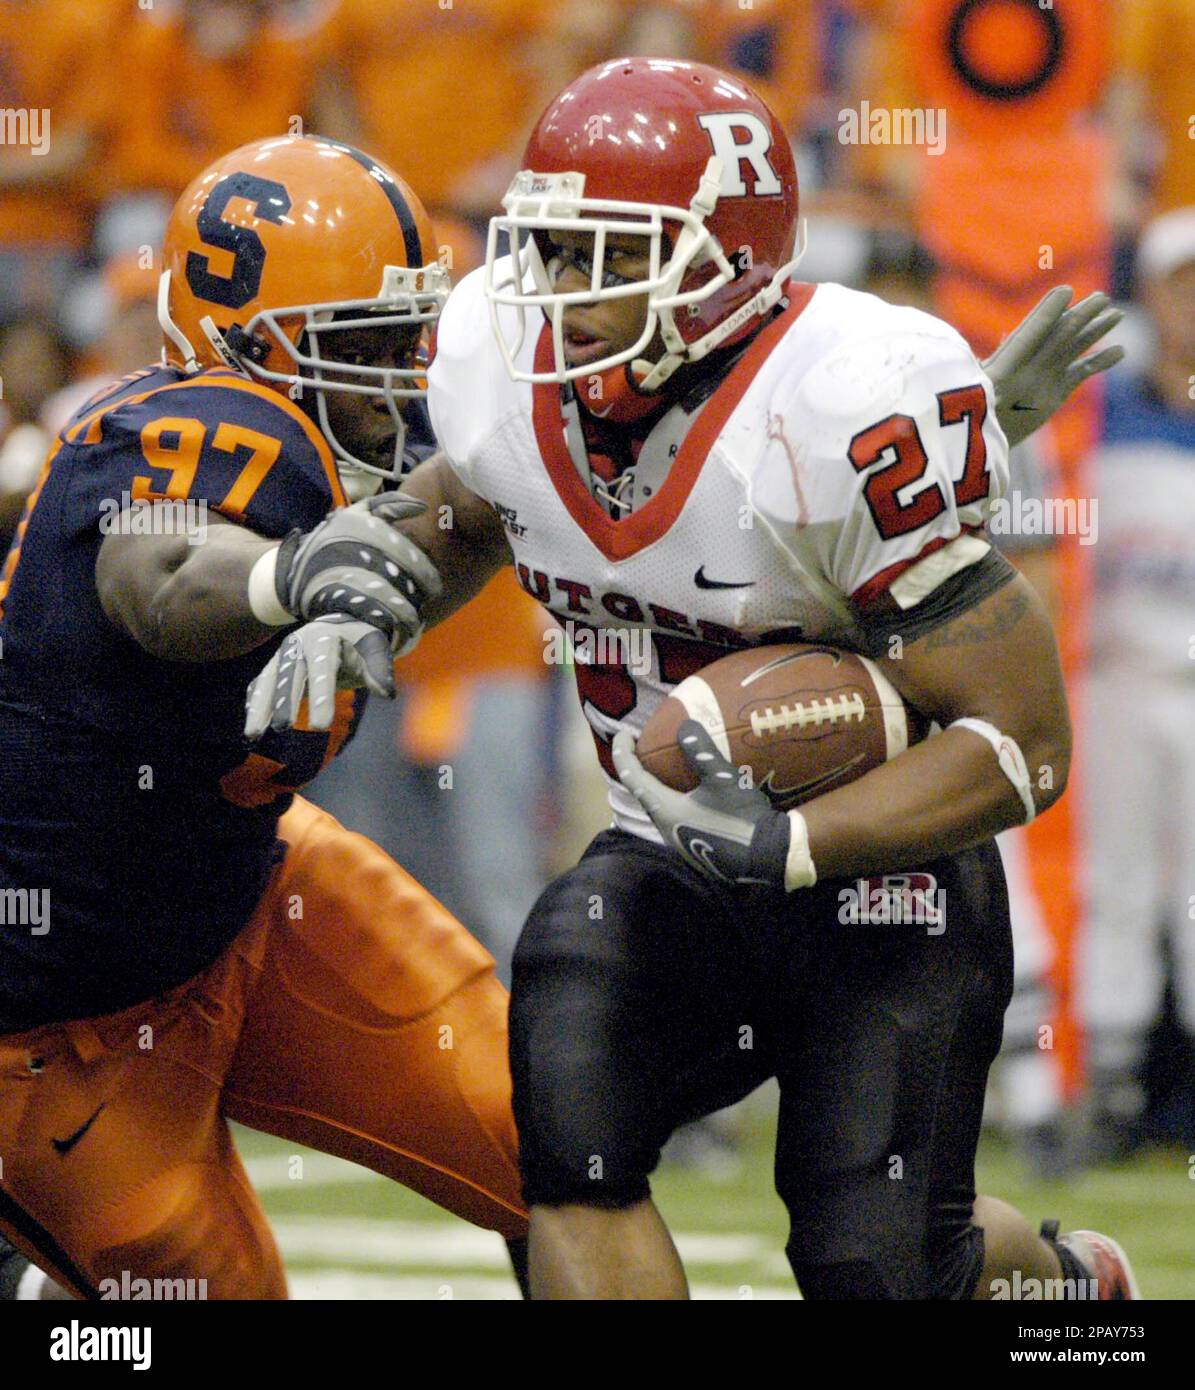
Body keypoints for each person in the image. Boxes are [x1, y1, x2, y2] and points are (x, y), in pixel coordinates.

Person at [249, 60, 1134, 1300]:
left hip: (885, 877)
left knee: (876, 1268)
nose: (559, 289)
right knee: (560, 1110)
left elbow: (1022, 742)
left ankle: (1062, 1283)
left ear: (722, 254)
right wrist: (365, 579)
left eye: (602, 252)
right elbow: (473, 506)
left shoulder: (843, 402)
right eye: (547, 246)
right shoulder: (509, 364)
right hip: (661, 851)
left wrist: (793, 843)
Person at [0, 135, 527, 1301]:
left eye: (411, 336)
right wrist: (289, 578)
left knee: (565, 1139)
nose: (404, 372)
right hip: (67, 1017)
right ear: (257, 345)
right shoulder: (195, 423)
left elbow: (484, 505)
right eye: (368, 345)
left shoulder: (342, 452)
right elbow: (164, 568)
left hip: (258, 887)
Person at [1079, 206, 1195, 1157]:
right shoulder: (1103, 413)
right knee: (1112, 883)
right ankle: (1109, 1087)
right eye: (1180, 281)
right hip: (1119, 674)